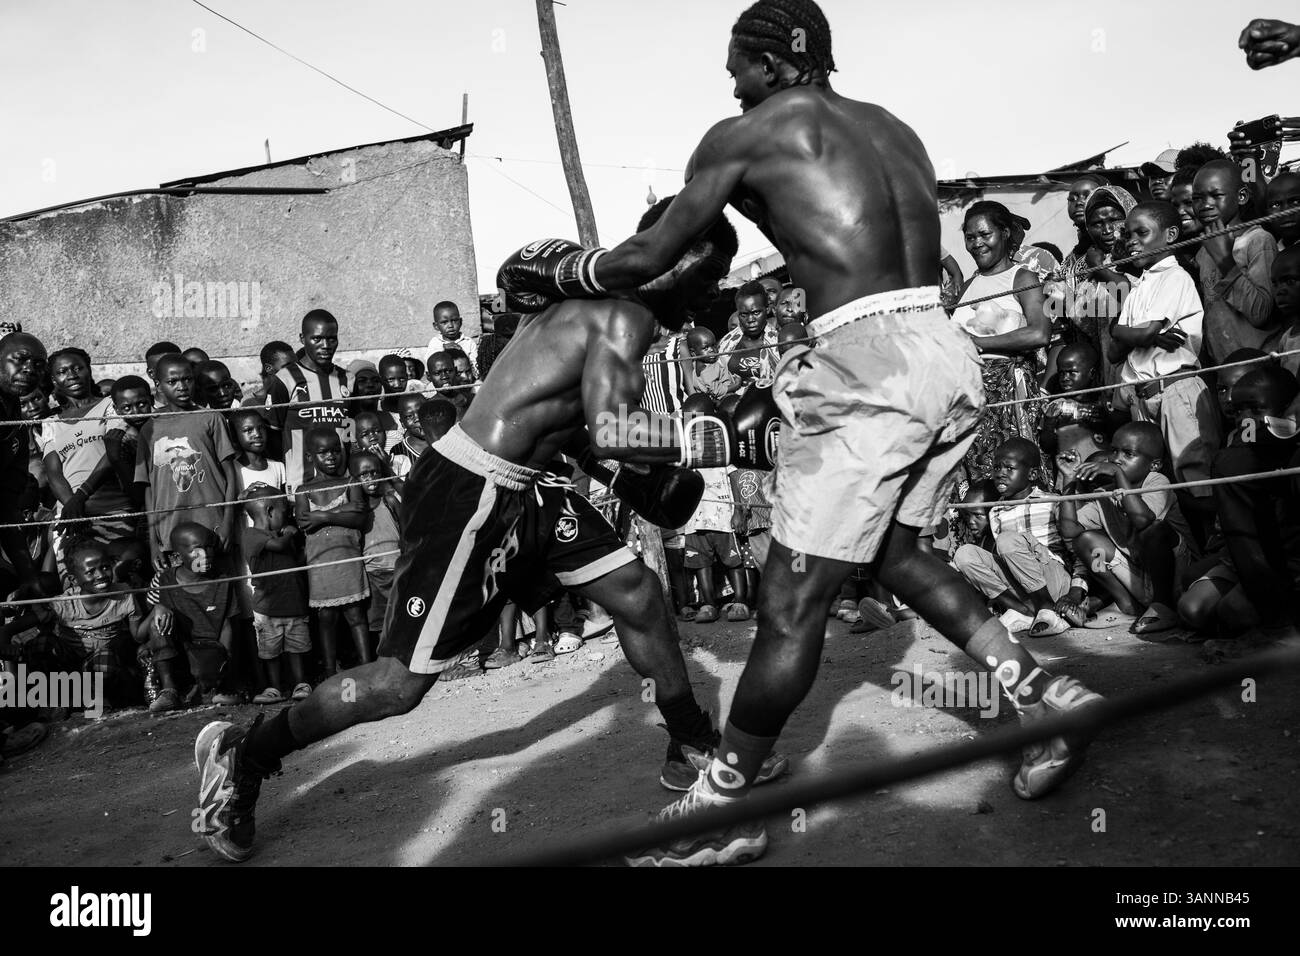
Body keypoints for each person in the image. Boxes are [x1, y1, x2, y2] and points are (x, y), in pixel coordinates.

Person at [491, 0, 1105, 867]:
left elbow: (644, 257)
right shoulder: (895, 129)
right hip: (946, 349)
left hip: (869, 366)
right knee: (892, 552)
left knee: (787, 603)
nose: (729, 80)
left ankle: (724, 805)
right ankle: (1046, 693)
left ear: (776, 62)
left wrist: (555, 266)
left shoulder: (744, 132)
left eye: (737, 62)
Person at [193, 199, 790, 864]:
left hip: (533, 485)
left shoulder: (589, 299)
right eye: (708, 276)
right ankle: (246, 752)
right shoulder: (623, 314)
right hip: (473, 490)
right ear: (672, 262)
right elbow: (611, 427)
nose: (711, 294)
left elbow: (562, 419)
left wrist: (630, 479)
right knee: (397, 683)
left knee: (637, 592)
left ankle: (691, 744)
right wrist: (716, 439)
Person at [1111, 200, 1221, 542]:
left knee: (1194, 479)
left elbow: (1138, 333)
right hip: (1143, 396)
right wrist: (1137, 334)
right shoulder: (1140, 285)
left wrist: (1131, 332)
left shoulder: (1175, 277)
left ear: (1170, 235)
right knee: (1152, 484)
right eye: (1128, 234)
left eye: (1142, 233)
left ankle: (1211, 547)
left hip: (1176, 391)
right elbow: (1115, 350)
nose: (1132, 241)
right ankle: (1179, 551)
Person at [950, 201, 1051, 485]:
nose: (977, 243)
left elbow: (1039, 333)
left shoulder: (1022, 277)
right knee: (976, 481)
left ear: (1005, 233)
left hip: (1007, 397)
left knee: (1014, 476)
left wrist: (979, 343)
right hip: (968, 399)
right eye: (970, 237)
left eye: (985, 234)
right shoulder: (968, 286)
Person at [1057, 423, 1189, 634]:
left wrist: (1118, 473)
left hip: (1175, 574)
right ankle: (1127, 605)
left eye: (1128, 453)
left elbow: (1143, 520)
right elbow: (1070, 530)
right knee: (1086, 542)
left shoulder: (1156, 480)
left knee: (1155, 530)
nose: (1116, 458)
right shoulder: (1104, 494)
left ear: (1154, 465)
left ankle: (1163, 606)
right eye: (1114, 451)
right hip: (1138, 576)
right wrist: (1069, 480)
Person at [950, 438, 1085, 638]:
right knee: (964, 554)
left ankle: (1046, 608)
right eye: (996, 468)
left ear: (1031, 474)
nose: (1000, 474)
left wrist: (1076, 591)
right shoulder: (995, 512)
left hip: (1054, 581)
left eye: (1009, 468)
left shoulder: (1051, 502)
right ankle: (1023, 611)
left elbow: (1078, 553)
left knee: (1007, 540)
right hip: (1023, 588)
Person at [135, 354, 239, 566]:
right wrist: (154, 541)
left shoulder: (211, 418)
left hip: (213, 528)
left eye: (187, 380)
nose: (182, 386)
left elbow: (230, 474)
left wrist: (227, 522)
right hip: (171, 533)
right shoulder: (150, 428)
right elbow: (149, 489)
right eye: (172, 382)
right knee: (182, 589)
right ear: (158, 385)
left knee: (219, 588)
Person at [38, 347, 135, 554]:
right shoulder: (50, 423)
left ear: (88, 370)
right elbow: (54, 472)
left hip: (113, 510)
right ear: (54, 380)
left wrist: (81, 497)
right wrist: (73, 507)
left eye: (77, 368)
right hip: (71, 517)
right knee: (75, 580)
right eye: (62, 372)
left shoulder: (111, 405)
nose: (72, 375)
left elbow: (112, 452)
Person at [295, 426, 370, 675]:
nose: (331, 457)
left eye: (336, 451)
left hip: (347, 558)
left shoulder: (351, 482)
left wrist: (324, 515)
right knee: (326, 618)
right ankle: (329, 670)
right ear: (310, 457)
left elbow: (359, 518)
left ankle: (366, 665)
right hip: (321, 563)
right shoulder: (303, 491)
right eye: (323, 452)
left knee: (355, 614)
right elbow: (304, 522)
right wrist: (342, 512)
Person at [145, 523, 240, 708]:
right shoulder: (165, 579)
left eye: (208, 548)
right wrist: (158, 606)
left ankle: (214, 689)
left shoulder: (222, 580)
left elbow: (228, 626)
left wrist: (224, 663)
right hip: (178, 647)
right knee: (157, 623)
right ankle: (169, 690)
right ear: (178, 555)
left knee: (207, 673)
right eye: (196, 551)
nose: (204, 556)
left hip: (209, 648)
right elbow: (141, 633)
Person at [1194, 160, 1278, 361]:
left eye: (1216, 196)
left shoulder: (1258, 241)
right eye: (1197, 198)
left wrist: (1225, 260)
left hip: (1258, 366)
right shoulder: (1203, 251)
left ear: (1241, 196)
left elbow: (1261, 313)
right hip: (1224, 366)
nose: (1205, 205)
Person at [264, 311, 352, 491]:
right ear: (302, 338)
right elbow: (273, 434)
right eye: (317, 339)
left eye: (332, 339)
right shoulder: (284, 379)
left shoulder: (348, 379)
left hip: (343, 482)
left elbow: (351, 425)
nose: (326, 345)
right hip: (300, 486)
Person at [241, 486, 311, 705]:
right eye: (284, 512)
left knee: (296, 647)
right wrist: (290, 533)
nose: (287, 517)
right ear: (270, 511)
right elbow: (279, 546)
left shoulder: (281, 535)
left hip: (293, 603)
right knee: (270, 652)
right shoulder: (251, 535)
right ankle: (274, 688)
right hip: (267, 609)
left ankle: (300, 683)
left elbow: (295, 560)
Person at [349, 451, 401, 654]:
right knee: (378, 621)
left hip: (396, 569)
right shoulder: (355, 511)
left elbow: (406, 529)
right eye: (364, 475)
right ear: (354, 478)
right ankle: (385, 657)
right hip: (372, 574)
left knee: (399, 615)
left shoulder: (389, 501)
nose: (370, 478)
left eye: (374, 472)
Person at [718, 281, 780, 386]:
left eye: (756, 312)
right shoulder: (725, 344)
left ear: (767, 309)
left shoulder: (779, 342)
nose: (750, 319)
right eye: (744, 314)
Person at [425, 301, 478, 379]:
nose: (450, 325)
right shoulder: (435, 343)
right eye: (444, 322)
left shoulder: (468, 342)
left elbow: (475, 366)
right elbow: (430, 363)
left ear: (460, 322)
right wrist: (443, 348)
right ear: (436, 326)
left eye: (454, 320)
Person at [686, 326, 740, 399]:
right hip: (724, 400)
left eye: (713, 345)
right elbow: (716, 391)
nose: (712, 350)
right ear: (693, 353)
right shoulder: (707, 368)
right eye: (705, 348)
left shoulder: (697, 364)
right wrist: (736, 385)